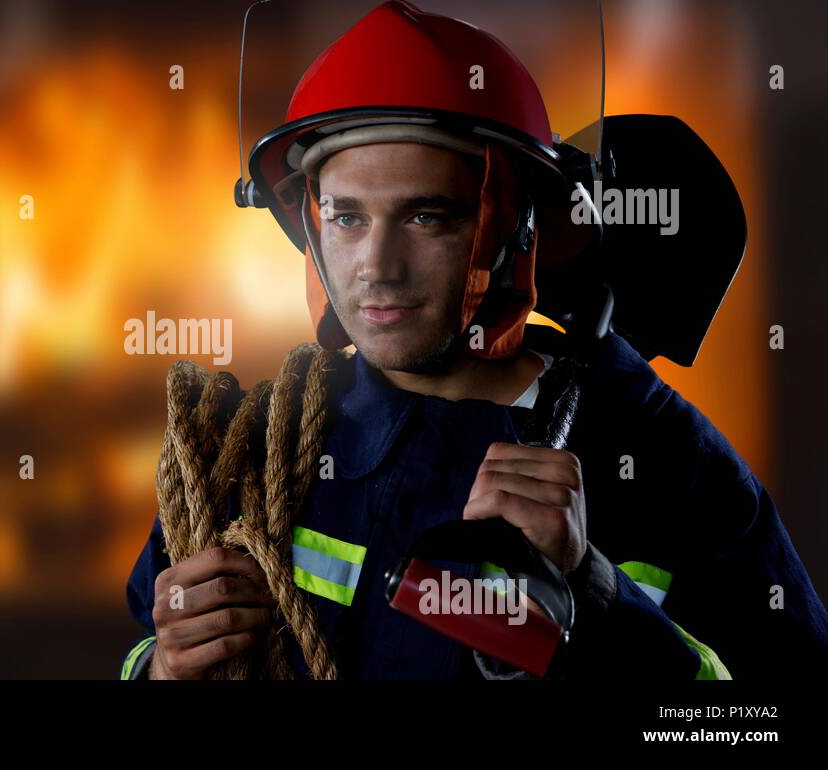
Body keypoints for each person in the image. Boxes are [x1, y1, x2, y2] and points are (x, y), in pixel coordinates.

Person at [120, 0, 828, 679]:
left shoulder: (671, 467)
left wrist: (596, 595)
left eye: (427, 217)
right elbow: (145, 642)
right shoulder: (236, 455)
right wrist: (160, 668)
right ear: (307, 222)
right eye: (346, 218)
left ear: (519, 229)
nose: (377, 267)